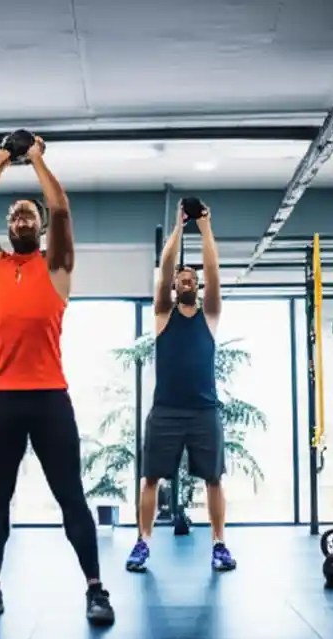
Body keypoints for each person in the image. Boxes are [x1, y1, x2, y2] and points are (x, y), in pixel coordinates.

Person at [0, 134, 115, 626]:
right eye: (14, 216)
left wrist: (39, 160)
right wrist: (3, 160)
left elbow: (62, 210)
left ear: (40, 227)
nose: (20, 219)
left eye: (29, 214)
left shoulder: (57, 268)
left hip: (49, 399)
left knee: (71, 495)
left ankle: (96, 590)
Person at [125, 199, 236, 573]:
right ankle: (143, 542)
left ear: (198, 286)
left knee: (214, 479)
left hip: (205, 411)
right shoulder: (162, 314)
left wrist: (204, 229)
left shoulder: (210, 314)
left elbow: (214, 270)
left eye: (193, 278)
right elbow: (165, 266)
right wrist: (179, 225)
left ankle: (219, 545)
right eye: (181, 278)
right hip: (167, 412)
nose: (187, 279)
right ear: (174, 286)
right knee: (150, 478)